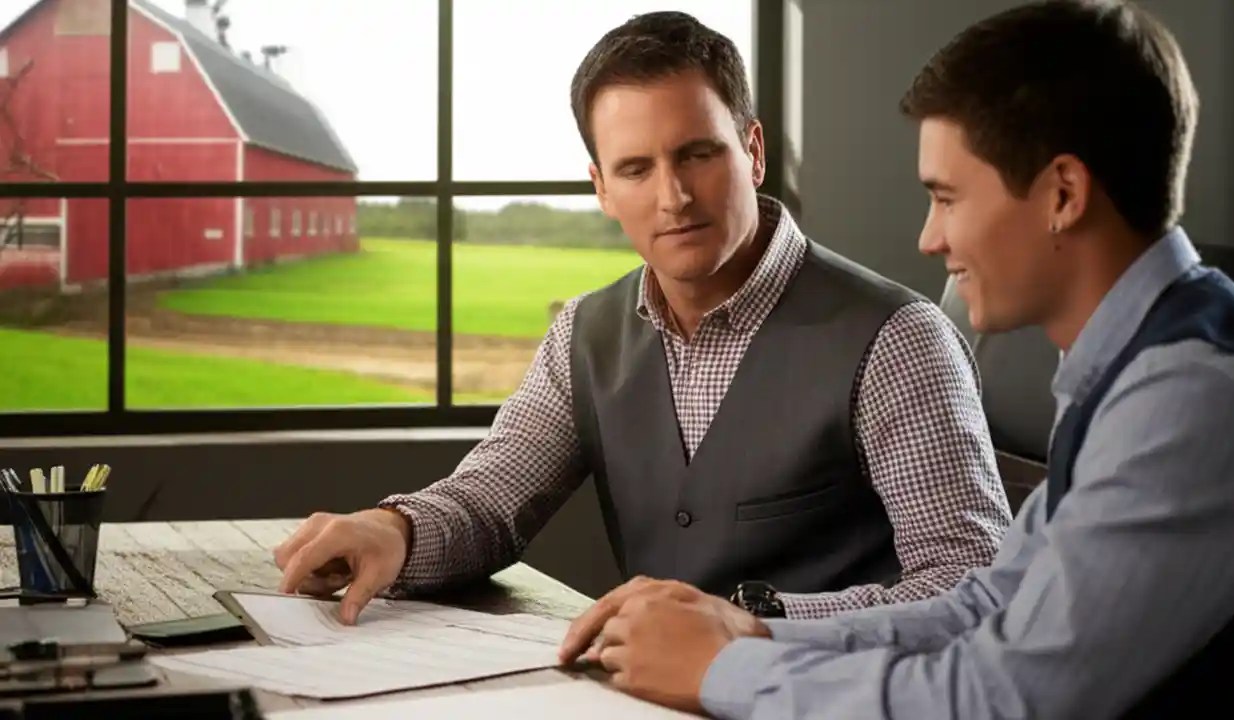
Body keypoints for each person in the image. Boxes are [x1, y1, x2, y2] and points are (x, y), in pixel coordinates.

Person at [555, 1, 1234, 717]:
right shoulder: (1133, 367)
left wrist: (723, 670)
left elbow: (1006, 697)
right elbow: (987, 602)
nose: (930, 239)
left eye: (948, 198)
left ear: (1062, 194)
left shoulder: (1193, 396)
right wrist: (752, 633)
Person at [272, 11, 1011, 627]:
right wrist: (394, 529)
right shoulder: (584, 334)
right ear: (601, 188)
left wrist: (758, 621)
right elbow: (491, 501)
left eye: (698, 155)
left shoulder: (898, 340)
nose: (673, 197)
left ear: (752, 152)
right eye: (636, 169)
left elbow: (973, 584)